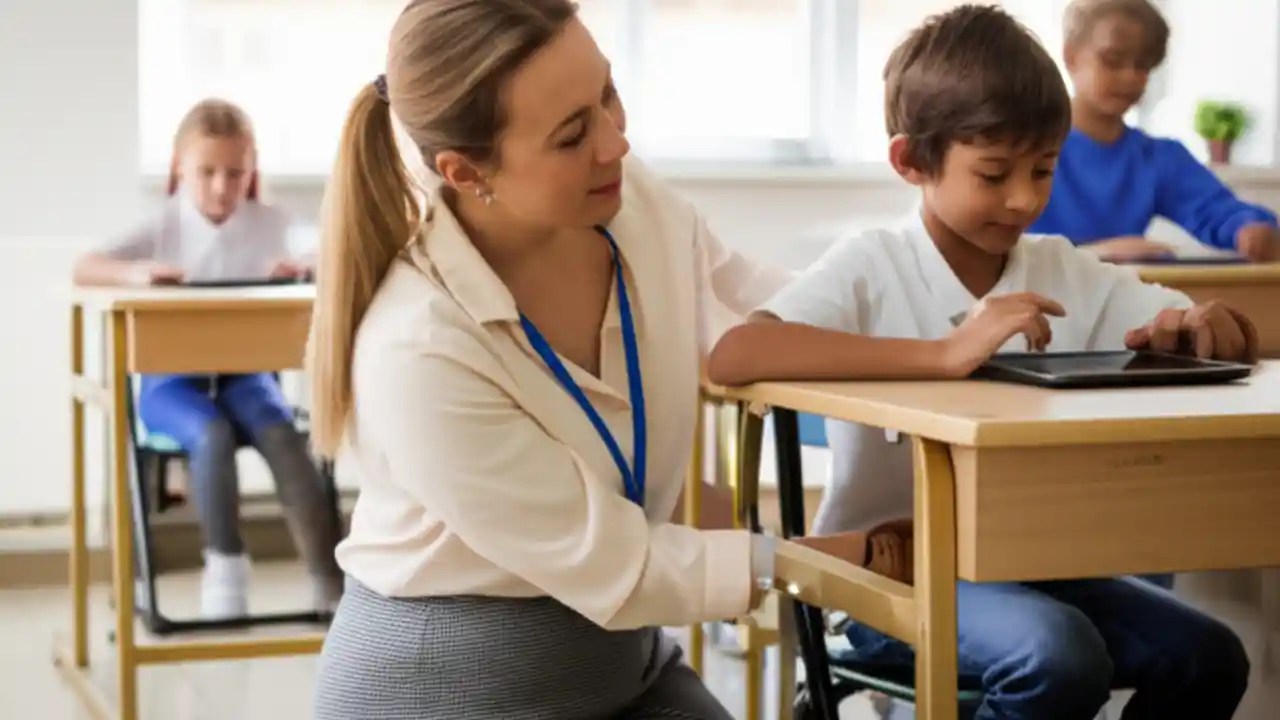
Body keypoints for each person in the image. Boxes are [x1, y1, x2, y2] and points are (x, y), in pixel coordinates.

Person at [304, 1, 852, 717]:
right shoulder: (417, 347)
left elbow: (764, 305)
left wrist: (934, 328)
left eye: (609, 96)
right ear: (466, 172)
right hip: (443, 690)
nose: (615, 143)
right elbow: (617, 562)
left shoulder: (631, 204)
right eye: (572, 136)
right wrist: (819, 566)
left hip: (621, 667)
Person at [708, 7, 1252, 720]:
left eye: (1044, 170)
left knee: (1209, 656)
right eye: (994, 174)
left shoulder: (1062, 267)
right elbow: (736, 353)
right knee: (1057, 657)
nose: (1024, 198)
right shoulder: (873, 264)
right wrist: (941, 355)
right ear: (912, 162)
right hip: (892, 575)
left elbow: (1213, 326)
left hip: (1038, 563)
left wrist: (1211, 327)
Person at [73, 99, 343, 619]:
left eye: (236, 173)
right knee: (211, 434)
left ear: (253, 171)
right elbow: (86, 265)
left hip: (247, 379)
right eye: (208, 172)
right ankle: (225, 566)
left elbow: (329, 252)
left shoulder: (273, 222)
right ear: (180, 169)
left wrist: (305, 266)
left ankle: (327, 580)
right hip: (171, 387)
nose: (222, 187)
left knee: (285, 436)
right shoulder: (163, 225)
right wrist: (139, 274)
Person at [1028, 0, 1280, 262]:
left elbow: (1217, 210)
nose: (1130, 77)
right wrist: (1092, 255)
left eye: (1143, 66)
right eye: (1112, 60)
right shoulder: (1026, 146)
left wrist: (1250, 231)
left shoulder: (1158, 158)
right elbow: (999, 249)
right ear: (1070, 55)